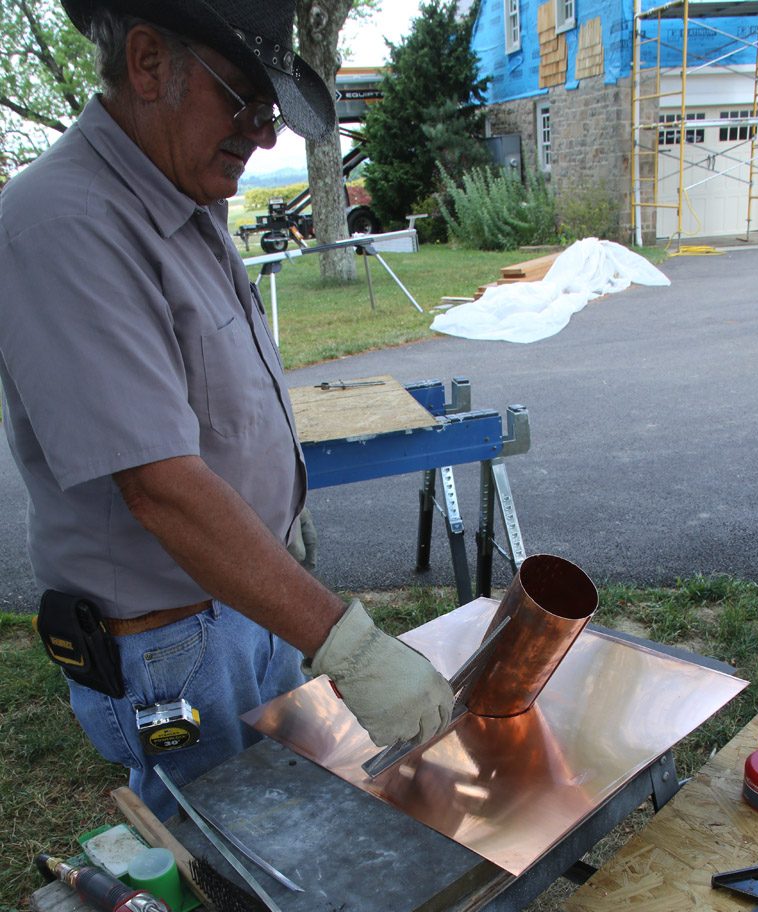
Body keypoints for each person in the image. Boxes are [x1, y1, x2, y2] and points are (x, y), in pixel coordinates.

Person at [0, 0, 452, 820]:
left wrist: (276, 519)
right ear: (147, 64)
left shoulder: (185, 195)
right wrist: (347, 643)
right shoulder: (63, 221)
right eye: (242, 97)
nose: (264, 133)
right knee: (235, 869)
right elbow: (160, 484)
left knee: (296, 832)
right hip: (170, 645)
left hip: (242, 597)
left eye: (270, 110)